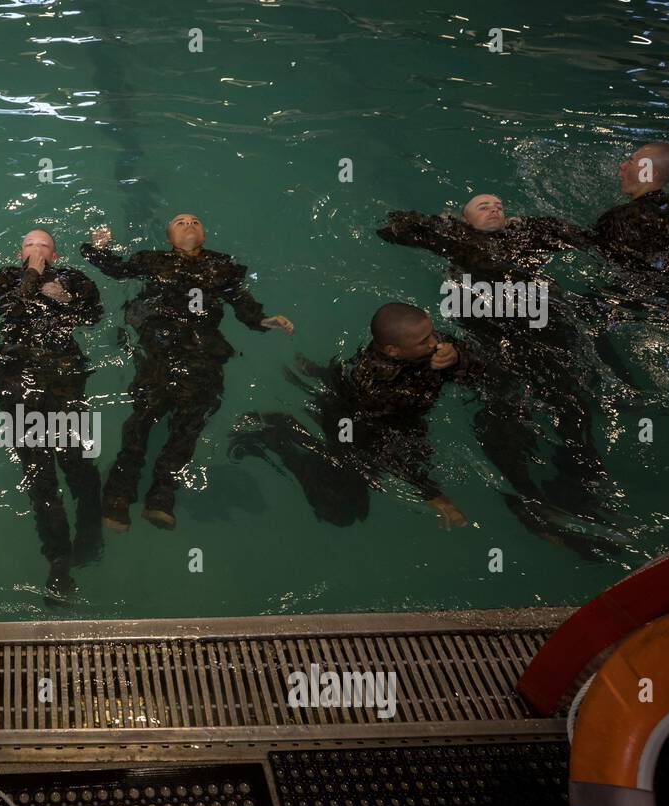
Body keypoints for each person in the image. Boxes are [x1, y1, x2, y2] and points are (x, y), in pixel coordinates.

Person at [378, 195, 621, 560]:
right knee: (506, 410)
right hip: (490, 333)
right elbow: (390, 228)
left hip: (540, 328)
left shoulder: (528, 235)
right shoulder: (454, 238)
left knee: (570, 402)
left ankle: (579, 483)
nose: (494, 207)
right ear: (463, 218)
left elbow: (587, 239)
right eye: (482, 205)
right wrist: (444, 224)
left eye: (498, 204)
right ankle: (527, 500)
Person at [81, 214, 293, 532]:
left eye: (195, 221)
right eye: (180, 222)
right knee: (141, 423)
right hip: (159, 350)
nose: (189, 224)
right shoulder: (152, 259)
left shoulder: (221, 266)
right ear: (168, 238)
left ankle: (161, 497)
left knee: (188, 430)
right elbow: (117, 270)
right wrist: (99, 249)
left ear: (204, 234)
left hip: (202, 355)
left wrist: (263, 321)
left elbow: (241, 301)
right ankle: (117, 496)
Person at [230, 303, 475, 528]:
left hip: (348, 414)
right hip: (356, 425)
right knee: (348, 478)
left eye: (432, 334)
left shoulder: (409, 347)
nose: (436, 343)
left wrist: (456, 356)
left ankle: (285, 420)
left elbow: (472, 364)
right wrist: (432, 494)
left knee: (345, 486)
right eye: (426, 341)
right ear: (393, 350)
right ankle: (277, 428)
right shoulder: (381, 389)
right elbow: (386, 446)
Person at [0, 228, 104, 604]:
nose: (36, 250)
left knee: (78, 461)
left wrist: (65, 300)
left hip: (65, 374)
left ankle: (90, 534)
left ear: (55, 254)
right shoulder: (7, 277)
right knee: (40, 474)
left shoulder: (75, 278)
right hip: (18, 376)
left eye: (44, 246)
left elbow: (93, 317)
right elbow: (11, 312)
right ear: (20, 253)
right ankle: (58, 560)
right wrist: (33, 277)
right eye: (30, 246)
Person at [593, 142, 669, 276]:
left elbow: (592, 247)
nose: (622, 165)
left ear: (648, 172)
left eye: (631, 161)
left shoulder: (621, 217)